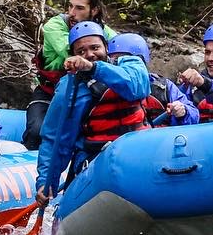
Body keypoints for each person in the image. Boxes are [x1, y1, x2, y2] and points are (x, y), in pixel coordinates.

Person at [35, 21, 150, 206]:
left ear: (106, 47)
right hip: (95, 158)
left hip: (137, 151)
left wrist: (94, 68)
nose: (89, 54)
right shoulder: (69, 87)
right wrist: (46, 182)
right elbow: (55, 139)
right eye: (81, 51)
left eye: (95, 47)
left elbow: (136, 87)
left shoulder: (129, 63)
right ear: (73, 55)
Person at [25, 0, 116, 149]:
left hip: (85, 93)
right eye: (70, 6)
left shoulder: (104, 31)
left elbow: (120, 50)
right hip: (49, 94)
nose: (72, 13)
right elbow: (75, 52)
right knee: (37, 131)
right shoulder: (54, 26)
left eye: (79, 8)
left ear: (93, 10)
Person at [107, 32, 197, 126]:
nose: (117, 67)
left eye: (121, 60)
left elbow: (193, 115)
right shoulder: (103, 89)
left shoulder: (164, 87)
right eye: (112, 62)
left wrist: (184, 112)